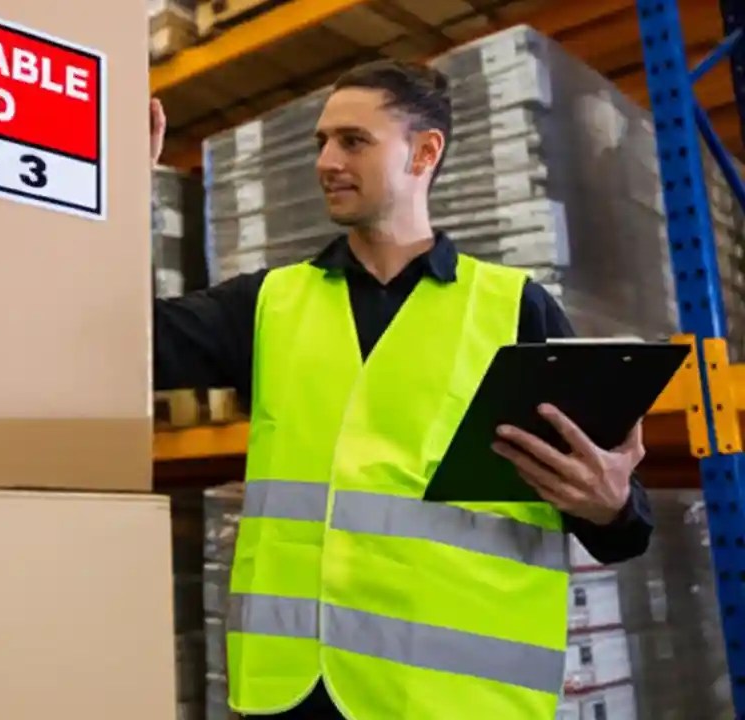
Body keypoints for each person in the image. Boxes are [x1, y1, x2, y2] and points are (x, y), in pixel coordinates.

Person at [149, 60, 653, 720]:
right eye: (321, 142)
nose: (327, 161)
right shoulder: (268, 305)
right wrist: (128, 195)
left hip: (454, 701)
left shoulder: (512, 310)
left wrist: (612, 505)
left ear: (424, 152)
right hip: (293, 691)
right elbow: (135, 343)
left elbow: (621, 527)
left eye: (353, 141)